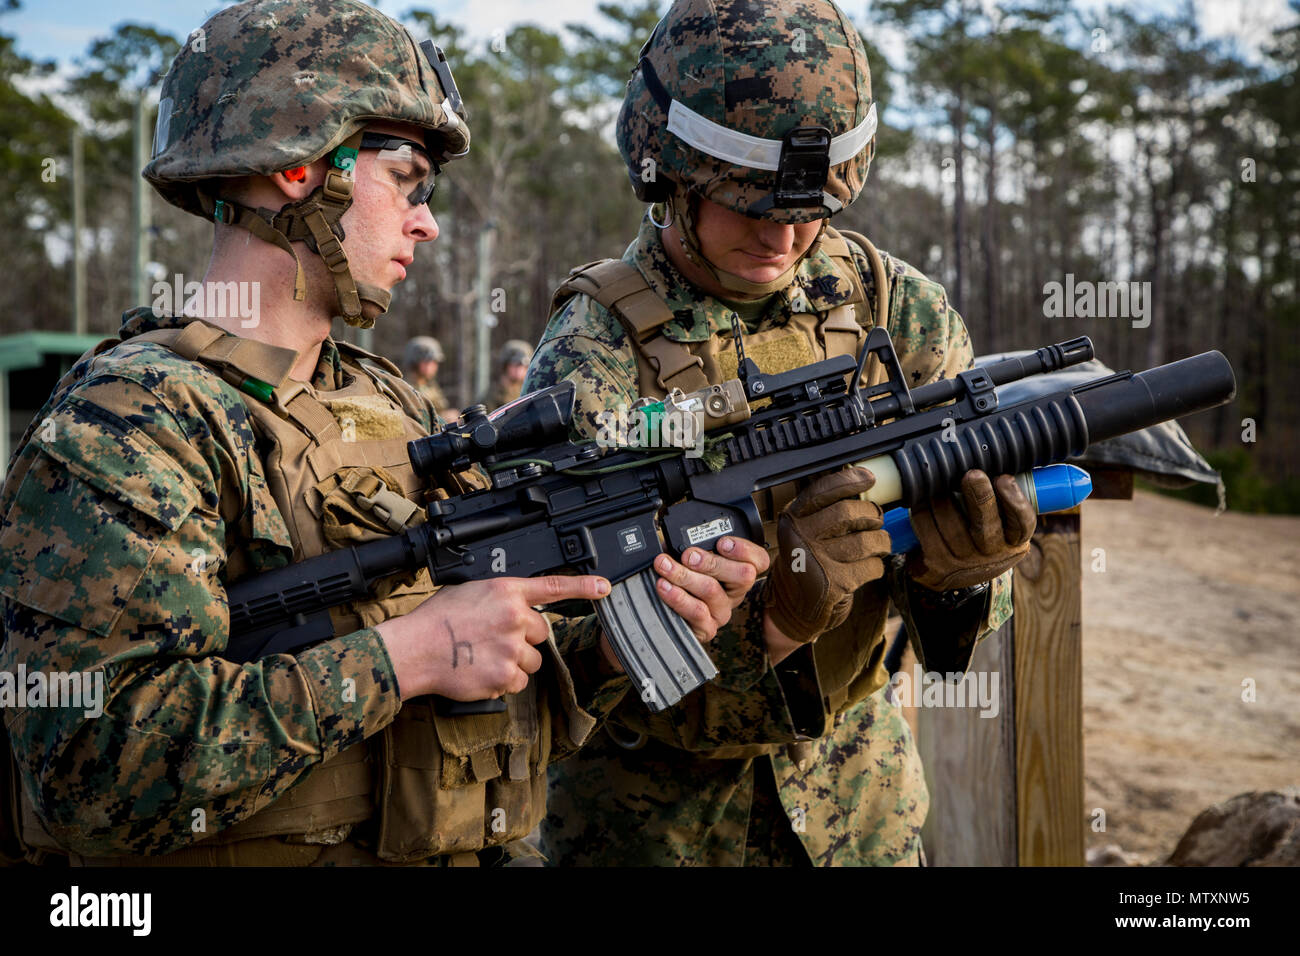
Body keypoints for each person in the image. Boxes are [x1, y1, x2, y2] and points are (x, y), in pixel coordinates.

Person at [0, 0, 757, 867]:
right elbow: (96, 772)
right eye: (408, 180)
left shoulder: (389, 402)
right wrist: (409, 654)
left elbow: (485, 710)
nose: (426, 222)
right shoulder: (131, 420)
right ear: (300, 170)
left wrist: (626, 637)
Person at [525, 0, 1037, 866]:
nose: (783, 233)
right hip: (654, 835)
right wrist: (770, 624)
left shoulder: (889, 305)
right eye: (746, 204)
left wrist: (961, 576)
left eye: (810, 209)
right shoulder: (593, 351)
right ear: (668, 174)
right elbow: (563, 662)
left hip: (860, 816)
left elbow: (950, 623)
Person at [403, 335, 456, 420]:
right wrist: (445, 418)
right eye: (430, 361)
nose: (435, 366)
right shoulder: (406, 389)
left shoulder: (429, 385)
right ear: (416, 363)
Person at [477, 339, 533, 411]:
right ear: (505, 366)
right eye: (515, 364)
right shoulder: (492, 397)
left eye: (524, 366)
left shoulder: (529, 393)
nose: (519, 370)